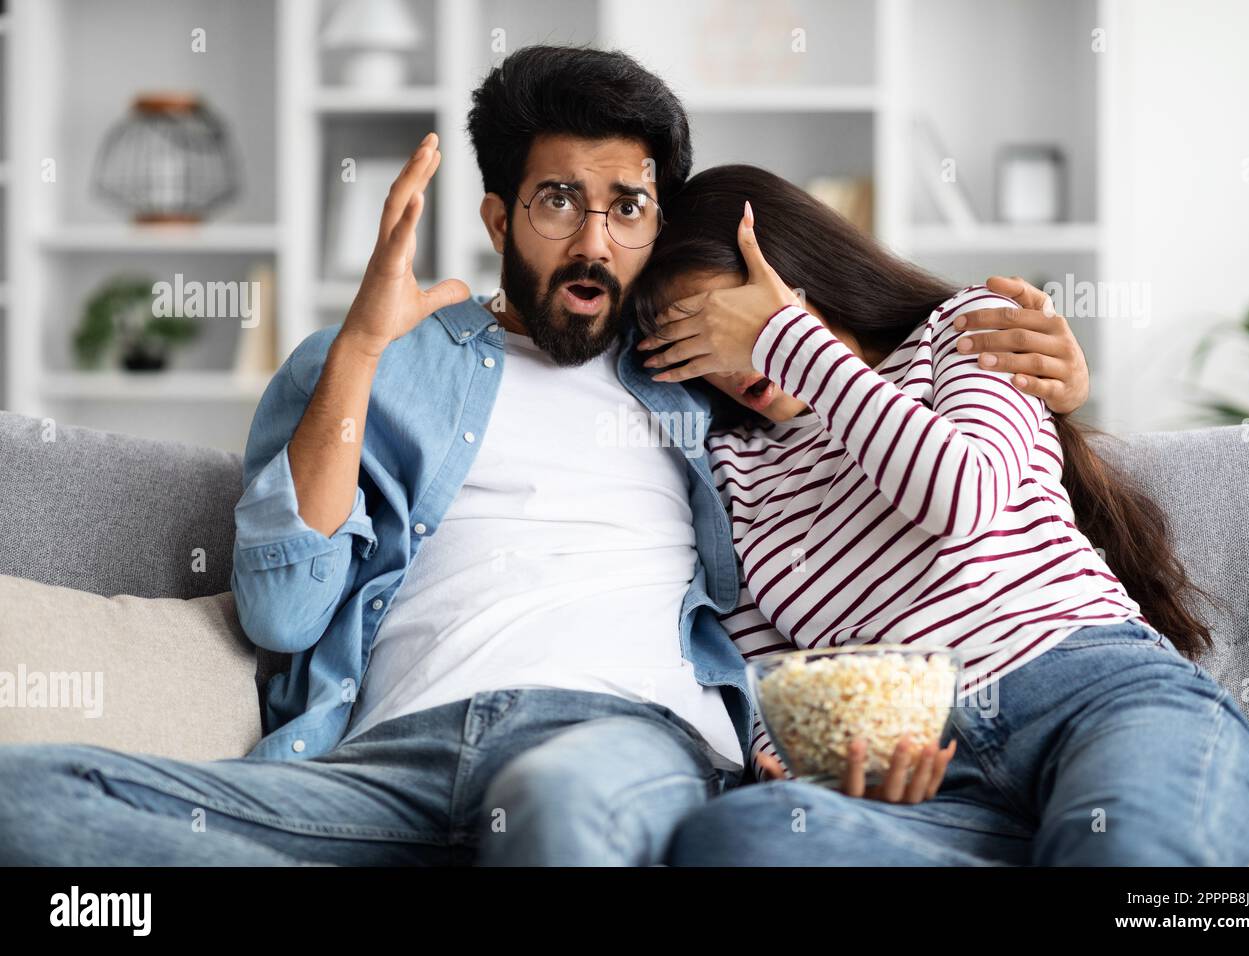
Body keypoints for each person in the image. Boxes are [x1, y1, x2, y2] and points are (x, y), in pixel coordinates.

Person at [0, 49, 1089, 867]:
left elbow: (905, 432)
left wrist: (1051, 378)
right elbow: (284, 615)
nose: (593, 241)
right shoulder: (379, 361)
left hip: (611, 742)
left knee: (563, 808)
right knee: (30, 796)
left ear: (657, 227)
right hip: (387, 768)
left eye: (628, 208)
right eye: (559, 200)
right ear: (498, 216)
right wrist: (361, 350)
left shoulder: (695, 380)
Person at [626, 163, 1249, 865]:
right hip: (932, 784)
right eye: (692, 344)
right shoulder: (732, 465)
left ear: (796, 273)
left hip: (1096, 696)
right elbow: (763, 659)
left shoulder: (967, 326)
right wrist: (805, 757)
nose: (730, 366)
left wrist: (784, 339)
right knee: (737, 836)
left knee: (1129, 851)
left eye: (733, 320)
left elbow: (961, 494)